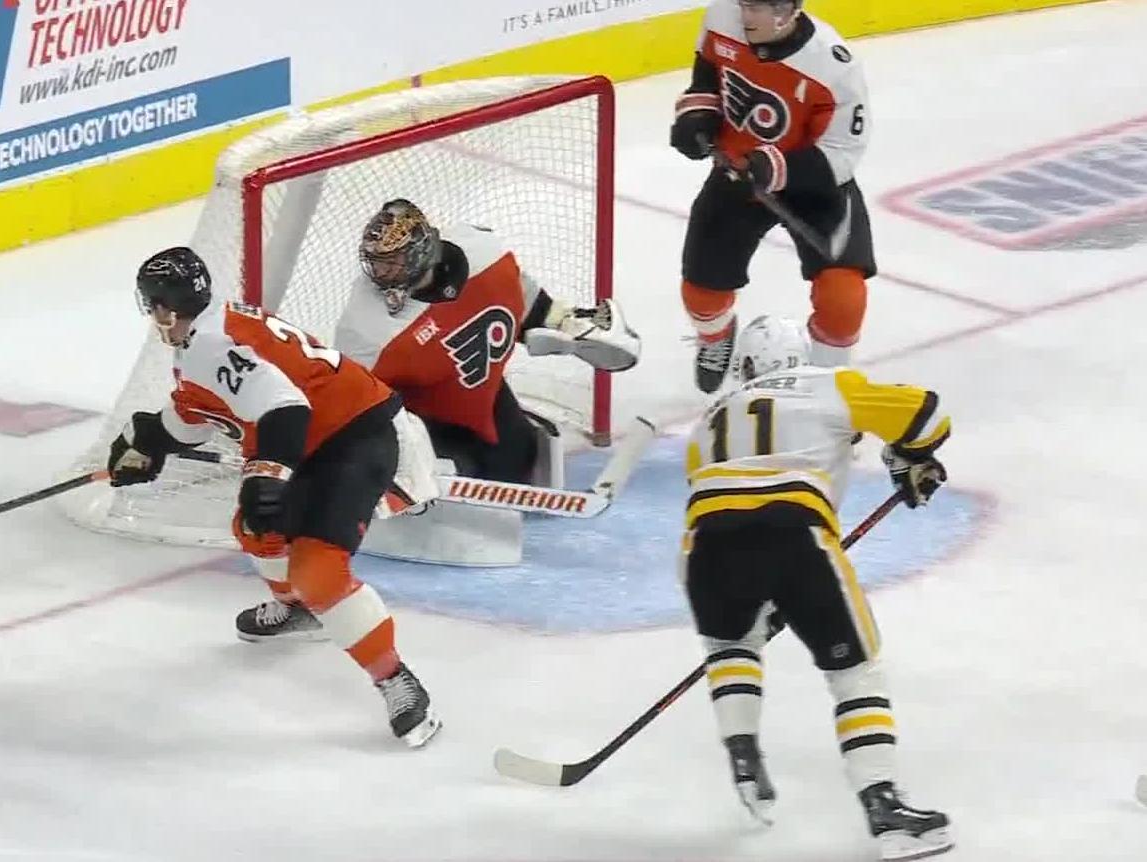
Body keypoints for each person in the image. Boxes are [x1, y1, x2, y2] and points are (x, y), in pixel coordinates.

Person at [106, 246, 442, 748]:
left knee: (318, 570)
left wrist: (267, 475)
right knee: (256, 528)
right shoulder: (209, 333)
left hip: (357, 435)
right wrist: (146, 440)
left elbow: (285, 408)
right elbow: (203, 414)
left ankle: (396, 680)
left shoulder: (210, 345)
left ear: (164, 309)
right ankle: (298, 609)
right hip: (317, 437)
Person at [681, 315, 953, 860]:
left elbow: (723, 494)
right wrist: (908, 458)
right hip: (795, 533)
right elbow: (929, 415)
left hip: (705, 545)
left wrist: (768, 590)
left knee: (731, 643)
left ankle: (743, 754)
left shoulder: (709, 420)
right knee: (855, 671)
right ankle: (884, 805)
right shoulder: (828, 383)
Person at [333, 199, 641, 484]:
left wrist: (567, 323)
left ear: (420, 252)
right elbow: (351, 407)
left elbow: (526, 301)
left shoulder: (483, 253)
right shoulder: (366, 328)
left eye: (392, 261)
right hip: (424, 424)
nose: (381, 272)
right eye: (376, 262)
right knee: (452, 489)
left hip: (487, 400)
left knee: (518, 463)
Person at [669, 0, 876, 393]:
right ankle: (715, 338)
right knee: (701, 292)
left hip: (813, 184)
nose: (746, 16)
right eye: (745, 4)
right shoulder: (722, 16)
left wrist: (772, 168)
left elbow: (843, 153)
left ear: (790, 10)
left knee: (844, 297)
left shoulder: (835, 67)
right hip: (737, 173)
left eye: (759, 8)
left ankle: (827, 385)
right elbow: (707, 78)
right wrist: (697, 116)